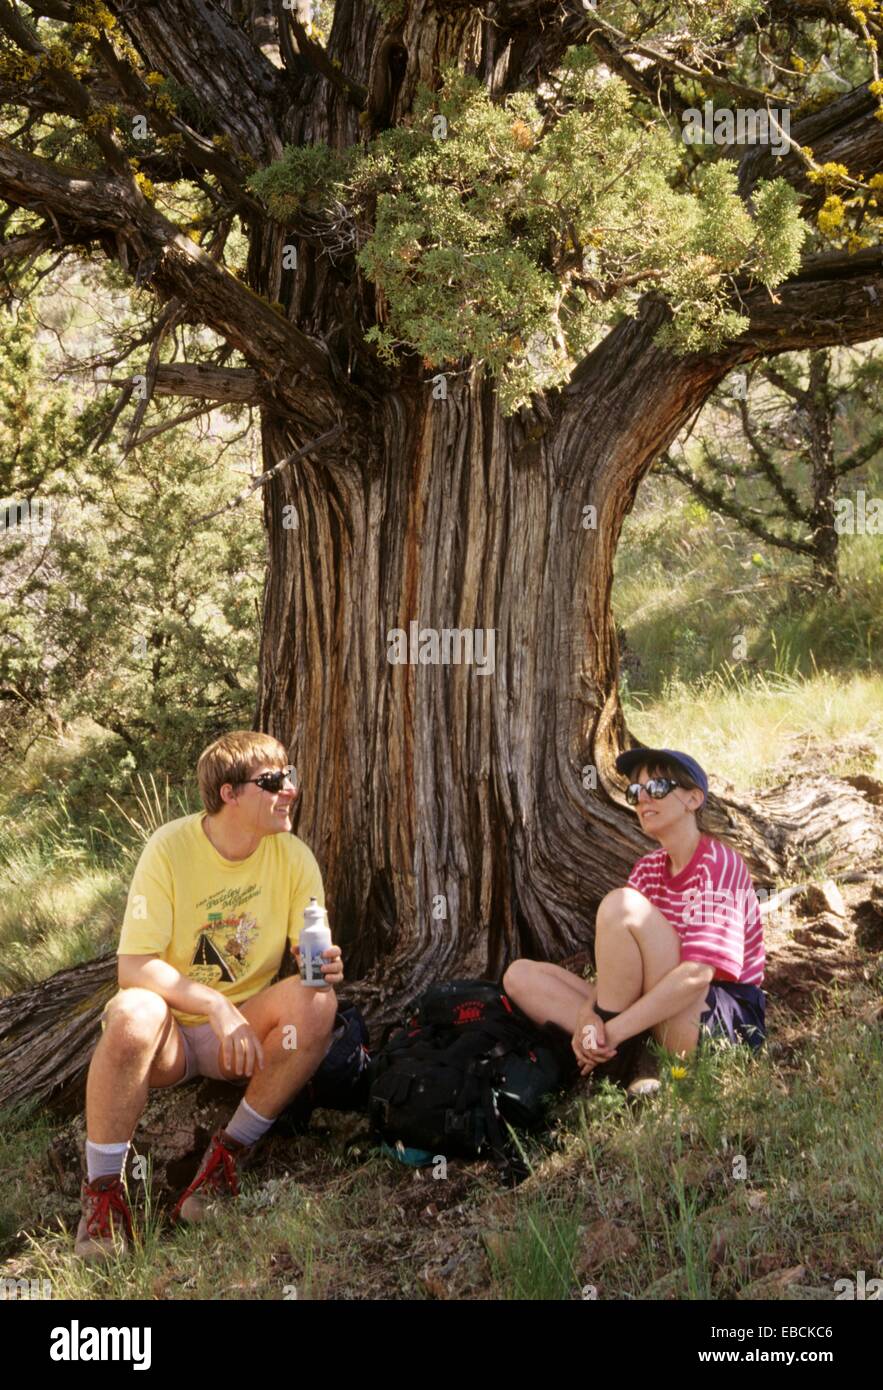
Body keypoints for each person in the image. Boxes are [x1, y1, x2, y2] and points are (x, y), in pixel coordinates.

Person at [75, 730, 344, 1261]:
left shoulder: (292, 856)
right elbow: (133, 966)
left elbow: (305, 946)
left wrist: (322, 963)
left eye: (290, 777)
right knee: (132, 1010)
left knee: (318, 1001)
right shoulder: (171, 847)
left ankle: (223, 1164)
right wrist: (215, 1006)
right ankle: (102, 1201)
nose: (289, 789)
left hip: (240, 1042)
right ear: (229, 793)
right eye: (273, 781)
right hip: (170, 1038)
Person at [503, 748, 766, 1092]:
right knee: (520, 976)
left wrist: (611, 1029)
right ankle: (626, 1058)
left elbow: (697, 975)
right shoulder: (648, 868)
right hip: (651, 1012)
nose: (642, 798)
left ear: (693, 799)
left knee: (621, 906)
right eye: (634, 792)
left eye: (656, 788)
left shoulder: (719, 863)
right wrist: (587, 1016)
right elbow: (622, 976)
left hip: (712, 1020)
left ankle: (614, 1061)